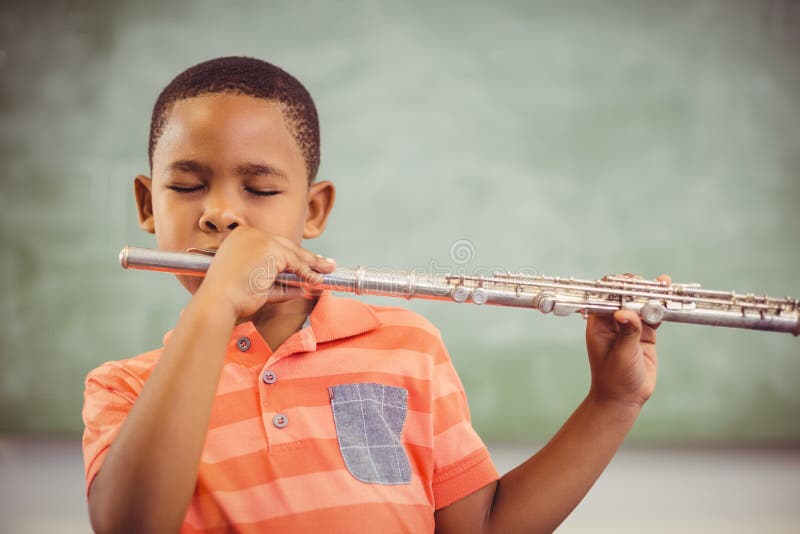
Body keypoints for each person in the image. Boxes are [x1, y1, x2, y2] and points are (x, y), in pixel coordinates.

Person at [82, 56, 668, 534]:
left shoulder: (406, 344)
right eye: (186, 186)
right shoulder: (125, 389)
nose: (220, 214)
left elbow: (482, 527)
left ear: (313, 210)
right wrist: (215, 307)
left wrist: (612, 402)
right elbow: (131, 524)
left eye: (259, 188)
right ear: (145, 204)